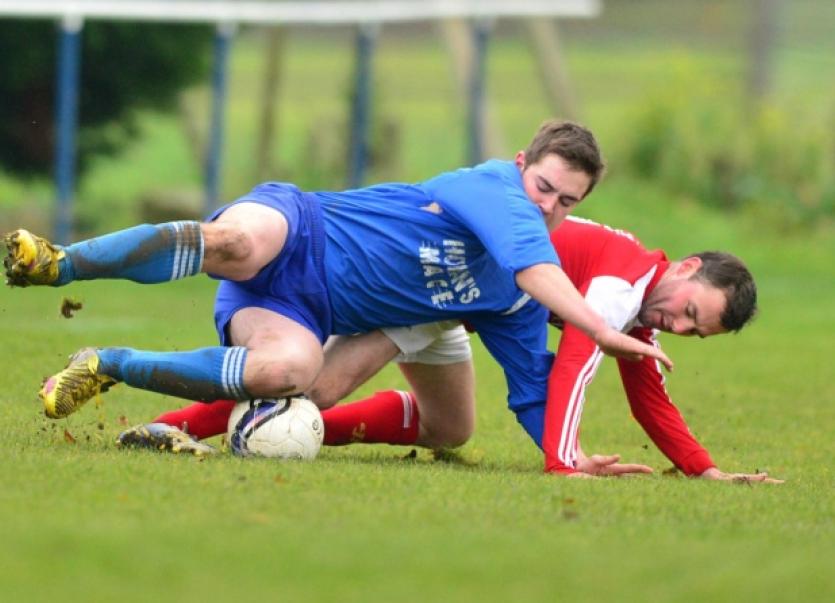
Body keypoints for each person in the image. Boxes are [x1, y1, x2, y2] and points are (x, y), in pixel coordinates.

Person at [3, 121, 672, 423]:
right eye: (544, 186)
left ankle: (108, 363)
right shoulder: (490, 186)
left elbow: (532, 393)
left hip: (302, 311)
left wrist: (568, 455)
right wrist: (601, 330)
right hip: (297, 224)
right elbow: (530, 260)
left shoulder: (513, 296)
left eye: (566, 201)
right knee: (237, 239)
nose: (549, 205)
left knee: (288, 374)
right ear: (522, 163)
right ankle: (58, 264)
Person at [126, 216, 781, 483]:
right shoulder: (623, 279)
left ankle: (283, 430)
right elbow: (578, 357)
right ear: (685, 266)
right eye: (690, 311)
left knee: (449, 427)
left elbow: (648, 396)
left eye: (696, 331)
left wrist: (703, 470)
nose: (680, 325)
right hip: (431, 283)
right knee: (312, 384)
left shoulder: (640, 308)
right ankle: (168, 427)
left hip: (466, 308)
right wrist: (563, 459)